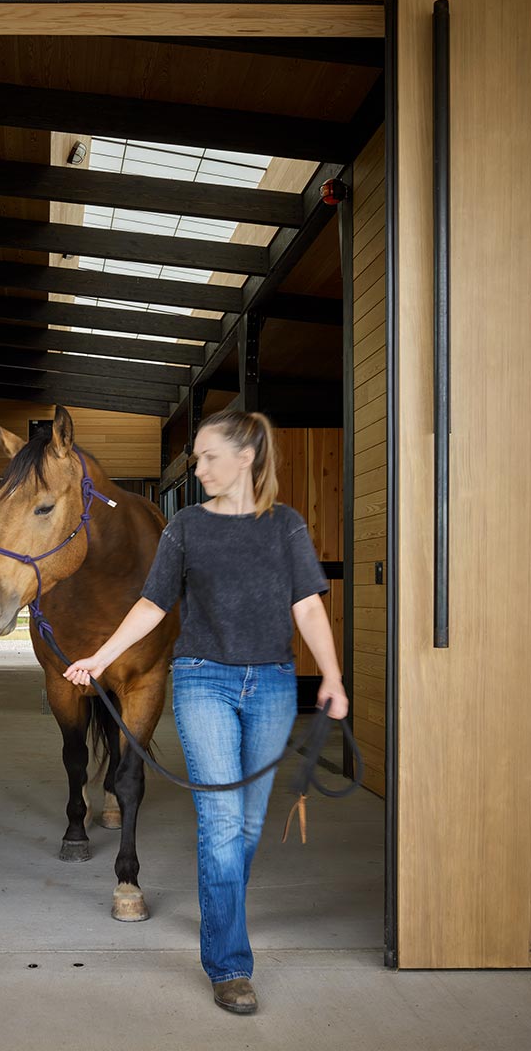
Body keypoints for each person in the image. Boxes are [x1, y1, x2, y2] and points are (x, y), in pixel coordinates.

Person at [63, 408, 349, 1016]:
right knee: (221, 822)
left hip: (272, 685)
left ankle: (221, 914)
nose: (198, 468)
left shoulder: (285, 526)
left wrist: (332, 676)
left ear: (246, 458)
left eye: (208, 456)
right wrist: (99, 656)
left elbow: (307, 606)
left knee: (246, 826)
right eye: (196, 458)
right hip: (203, 681)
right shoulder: (186, 527)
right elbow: (152, 604)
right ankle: (229, 964)